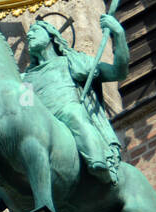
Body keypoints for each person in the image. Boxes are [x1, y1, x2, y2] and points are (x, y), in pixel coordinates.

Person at [22, 15, 128, 184]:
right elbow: (25, 109)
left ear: (51, 36)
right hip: (40, 125)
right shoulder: (25, 79)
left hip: (66, 112)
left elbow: (118, 72)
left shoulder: (72, 61)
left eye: (35, 31)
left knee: (73, 112)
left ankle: (98, 159)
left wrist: (119, 34)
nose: (29, 35)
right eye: (29, 34)